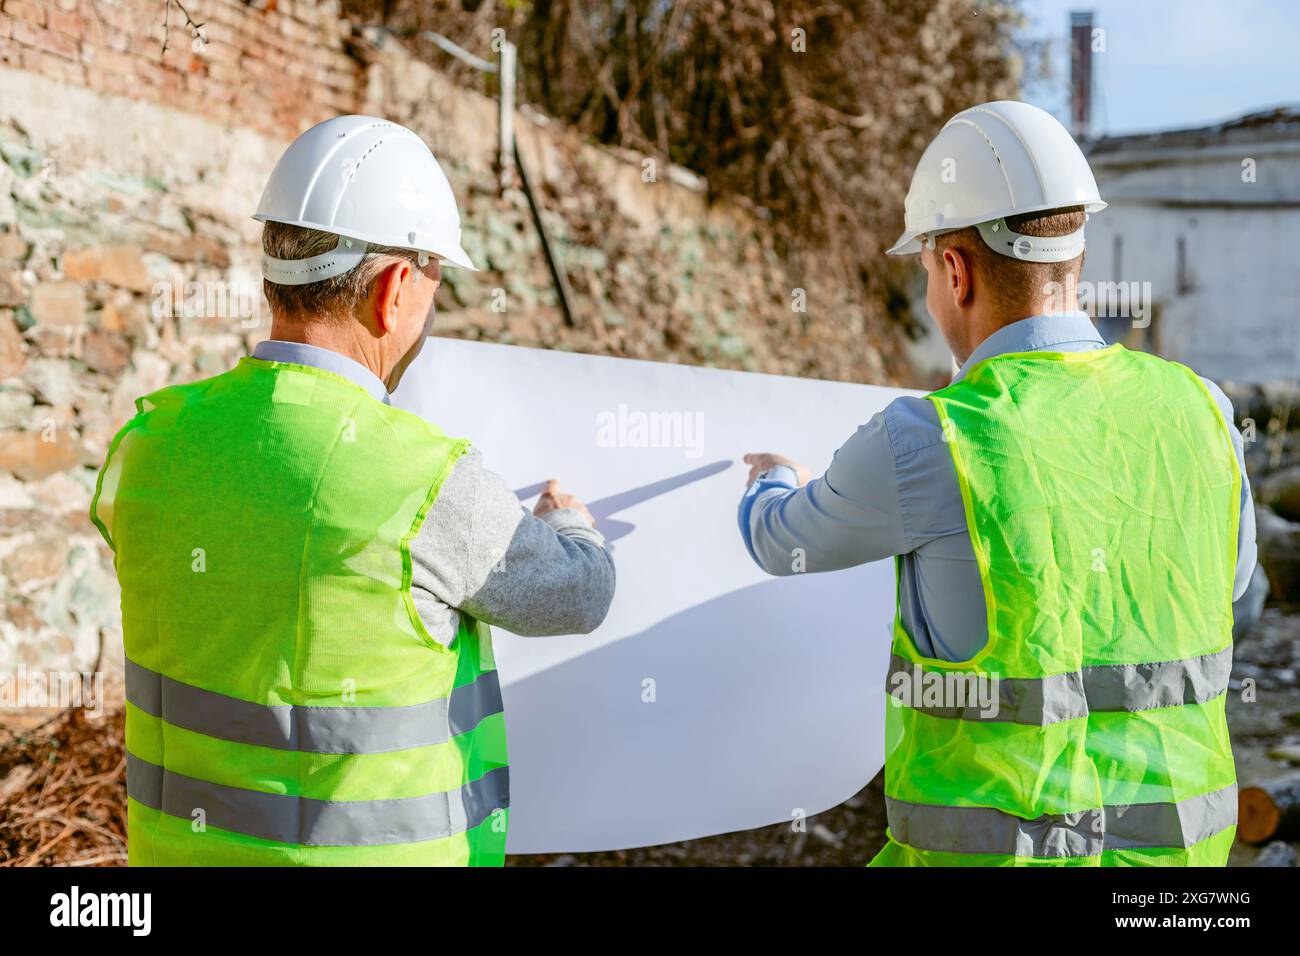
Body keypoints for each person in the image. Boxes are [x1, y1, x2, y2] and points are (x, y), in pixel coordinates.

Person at [738, 101, 1256, 866]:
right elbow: (1231, 585)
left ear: (954, 268)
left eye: (925, 272)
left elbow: (783, 544)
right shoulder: (1203, 408)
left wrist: (772, 479)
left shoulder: (931, 439)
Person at [90, 115, 616, 866]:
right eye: (435, 281)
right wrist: (574, 526)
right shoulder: (425, 481)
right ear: (398, 289)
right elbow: (578, 595)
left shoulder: (149, 443)